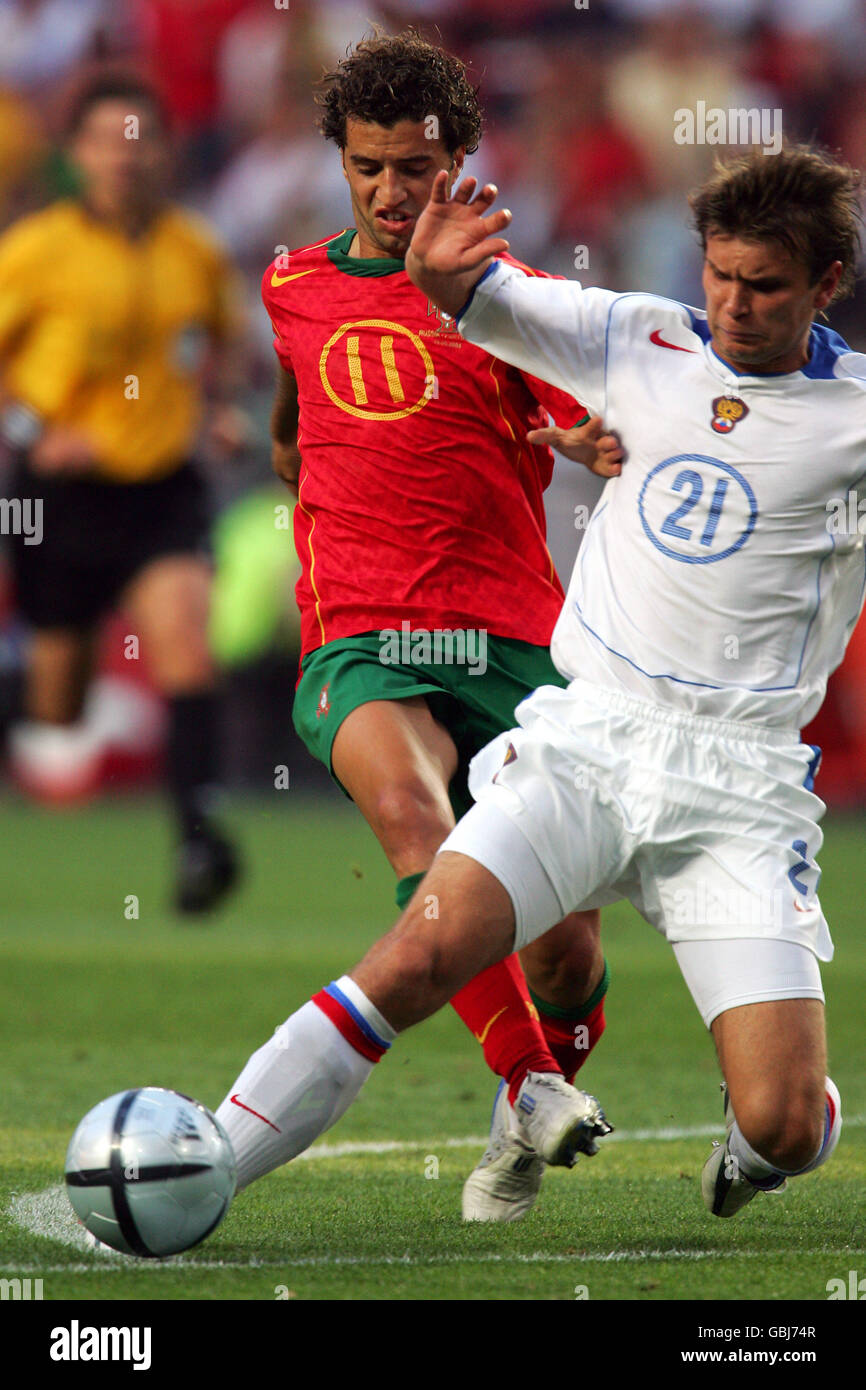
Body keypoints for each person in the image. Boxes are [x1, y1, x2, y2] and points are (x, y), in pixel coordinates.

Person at [214, 143, 863, 1227]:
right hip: (590, 745)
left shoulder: (852, 421)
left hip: (740, 788)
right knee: (418, 951)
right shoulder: (636, 338)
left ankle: (760, 1148)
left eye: (764, 286)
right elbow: (473, 290)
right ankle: (202, 1163)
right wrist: (437, 261)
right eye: (719, 275)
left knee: (782, 1125)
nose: (732, 304)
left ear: (824, 285)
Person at [261, 32, 622, 1222]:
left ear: (457, 159)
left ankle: (525, 1110)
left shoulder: (506, 299)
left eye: (412, 168)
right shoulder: (291, 286)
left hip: (514, 643)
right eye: (366, 166)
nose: (386, 192)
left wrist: (585, 444)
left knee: (563, 949)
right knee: (412, 813)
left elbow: (595, 419)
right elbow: (292, 422)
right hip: (361, 634)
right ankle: (523, 1076)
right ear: (343, 160)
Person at [0, 73, 246, 911]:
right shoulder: (36, 251)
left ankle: (199, 842)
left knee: (185, 642)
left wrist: (217, 413)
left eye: (139, 140)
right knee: (56, 709)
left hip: (159, 493)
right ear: (77, 155)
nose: (124, 158)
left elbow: (224, 351)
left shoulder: (197, 252)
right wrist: (37, 432)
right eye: (107, 140)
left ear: (165, 152)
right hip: (59, 498)